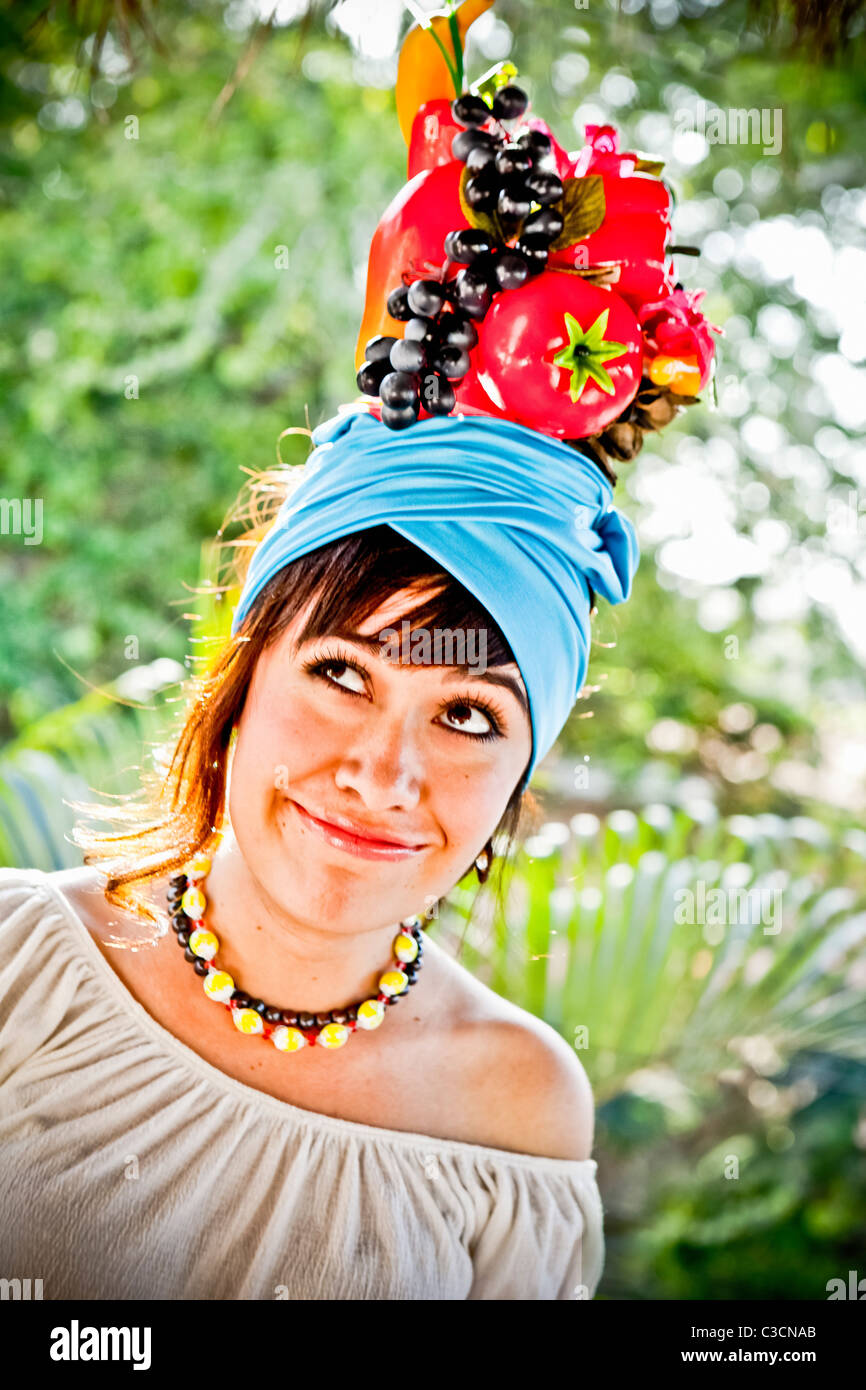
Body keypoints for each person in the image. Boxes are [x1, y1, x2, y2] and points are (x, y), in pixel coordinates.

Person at [0, 5, 719, 1300]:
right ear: (236, 685)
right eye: (340, 672)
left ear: (525, 768)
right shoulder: (13, 974)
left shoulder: (519, 1112)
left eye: (468, 716)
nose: (384, 773)